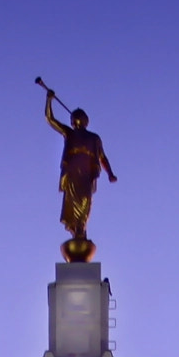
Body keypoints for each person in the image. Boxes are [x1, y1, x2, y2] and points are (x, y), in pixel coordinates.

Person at [41, 85, 116, 254]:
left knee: (85, 204)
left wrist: (110, 173)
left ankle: (81, 228)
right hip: (72, 175)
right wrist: (48, 100)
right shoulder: (69, 134)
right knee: (73, 204)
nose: (73, 122)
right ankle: (78, 230)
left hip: (87, 176)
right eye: (72, 120)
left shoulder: (93, 138)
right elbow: (50, 119)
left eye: (76, 119)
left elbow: (102, 157)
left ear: (83, 120)